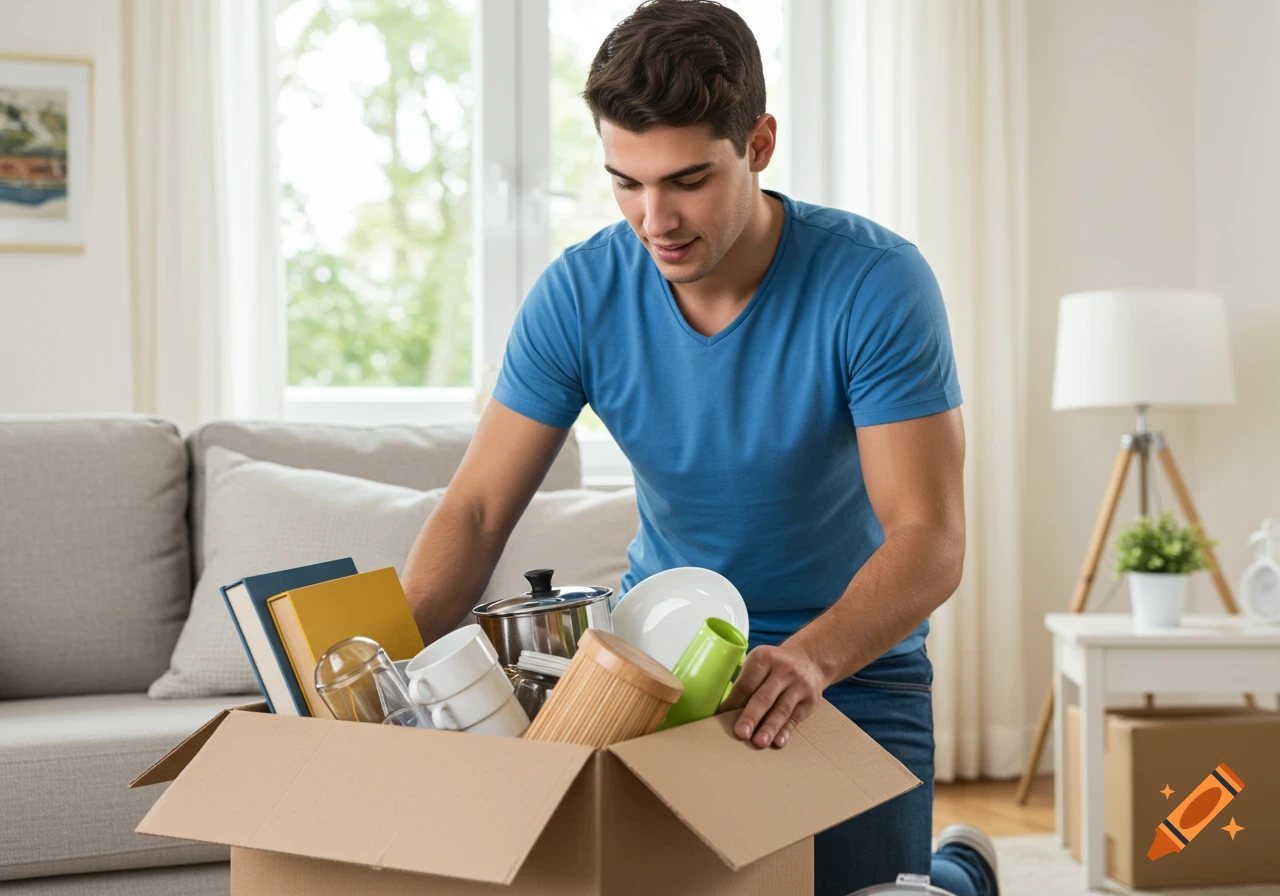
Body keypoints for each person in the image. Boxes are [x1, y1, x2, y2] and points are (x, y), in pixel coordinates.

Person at [402, 2, 997, 894]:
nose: (655, 218)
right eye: (625, 182)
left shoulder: (876, 283)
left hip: (847, 667)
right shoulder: (580, 294)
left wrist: (811, 659)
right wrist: (378, 682)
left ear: (757, 143)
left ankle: (958, 874)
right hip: (658, 667)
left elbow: (929, 536)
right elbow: (479, 509)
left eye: (687, 179)